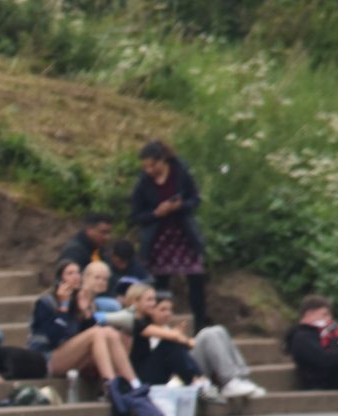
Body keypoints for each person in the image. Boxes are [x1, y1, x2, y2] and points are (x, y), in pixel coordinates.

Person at [29, 259, 145, 400]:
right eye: (70, 273)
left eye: (78, 272)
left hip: (72, 355)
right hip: (47, 358)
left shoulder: (76, 301)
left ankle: (134, 384)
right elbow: (54, 337)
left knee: (110, 333)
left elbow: (87, 334)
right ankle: (111, 385)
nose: (75, 276)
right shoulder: (46, 302)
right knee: (98, 333)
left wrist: (86, 313)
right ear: (60, 278)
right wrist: (63, 307)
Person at [129, 288, 267, 399]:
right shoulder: (142, 326)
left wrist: (181, 338)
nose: (168, 314)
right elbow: (175, 345)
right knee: (207, 335)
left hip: (180, 369)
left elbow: (185, 344)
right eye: (162, 309)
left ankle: (239, 378)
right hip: (166, 377)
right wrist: (179, 337)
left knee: (218, 330)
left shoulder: (166, 329)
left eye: (170, 310)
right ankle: (227, 381)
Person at [131, 139, 208, 334]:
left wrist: (179, 206)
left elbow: (195, 199)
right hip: (159, 237)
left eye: (152, 165)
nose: (149, 170)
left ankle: (200, 324)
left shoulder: (180, 173)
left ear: (162, 160)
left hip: (183, 233)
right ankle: (160, 324)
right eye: (146, 166)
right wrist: (155, 214)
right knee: (161, 282)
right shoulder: (143, 183)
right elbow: (136, 215)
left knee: (196, 278)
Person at [285, 295, 338, 390]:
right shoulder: (302, 337)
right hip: (330, 379)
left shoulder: (326, 332)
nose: (329, 318)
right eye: (324, 314)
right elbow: (324, 361)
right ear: (309, 314)